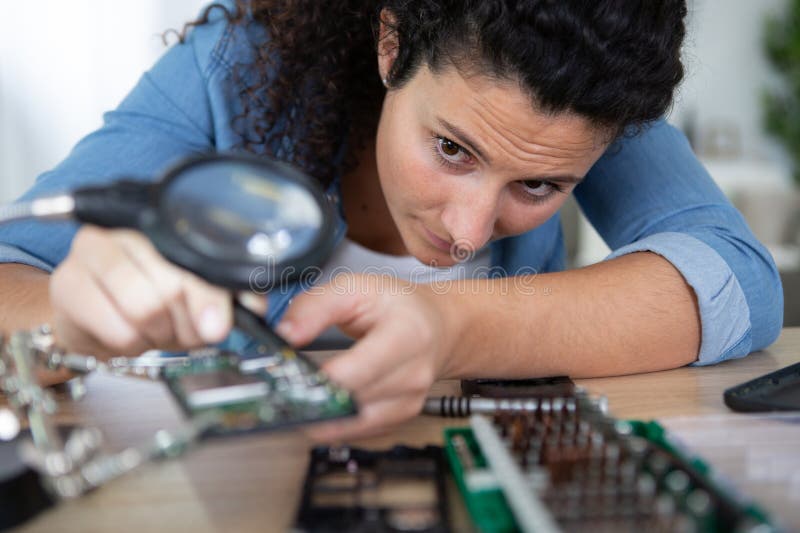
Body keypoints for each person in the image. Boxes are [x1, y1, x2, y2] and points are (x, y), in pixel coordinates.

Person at [0, 0, 782, 440]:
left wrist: (446, 324)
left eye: (540, 186)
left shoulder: (589, 102)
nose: (471, 231)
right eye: (451, 148)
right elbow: (12, 277)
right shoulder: (234, 65)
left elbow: (739, 281)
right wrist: (71, 322)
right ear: (391, 41)